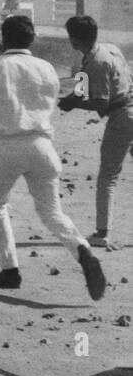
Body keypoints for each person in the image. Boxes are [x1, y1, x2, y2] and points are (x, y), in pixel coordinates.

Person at [0, 14, 106, 298]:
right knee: (52, 211)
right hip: (42, 145)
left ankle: (10, 269)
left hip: (5, 145)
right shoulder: (47, 68)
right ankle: (82, 250)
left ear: (4, 39)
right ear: (32, 39)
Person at [57, 15, 133, 249]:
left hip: (122, 117)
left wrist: (71, 104)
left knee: (107, 177)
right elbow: (82, 89)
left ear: (74, 39)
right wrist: (70, 98)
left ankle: (102, 233)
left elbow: (100, 102)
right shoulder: (109, 50)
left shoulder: (95, 63)